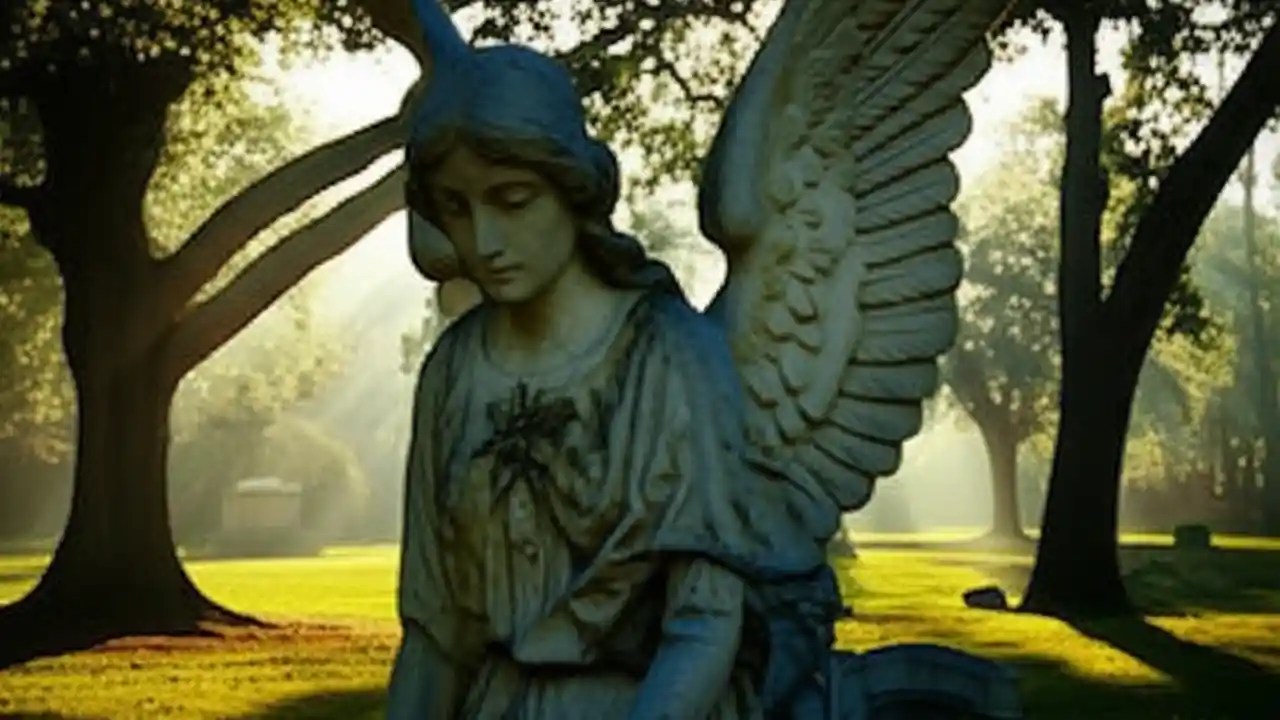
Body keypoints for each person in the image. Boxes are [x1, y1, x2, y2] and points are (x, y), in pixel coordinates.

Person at [386, 27, 839, 720]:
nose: (483, 241)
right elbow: (434, 638)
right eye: (456, 208)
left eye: (511, 201)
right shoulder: (452, 372)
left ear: (573, 189)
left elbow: (703, 625)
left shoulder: (670, 356)